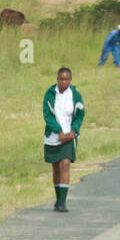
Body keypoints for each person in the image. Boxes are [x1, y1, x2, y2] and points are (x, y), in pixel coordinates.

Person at [43, 67, 85, 212]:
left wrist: (74, 130)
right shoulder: (50, 94)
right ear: (57, 79)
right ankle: (57, 198)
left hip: (69, 136)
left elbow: (80, 115)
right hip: (53, 136)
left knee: (65, 164)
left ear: (70, 80)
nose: (64, 82)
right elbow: (47, 115)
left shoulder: (75, 95)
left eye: (66, 79)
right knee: (55, 167)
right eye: (61, 79)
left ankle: (62, 202)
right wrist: (58, 131)